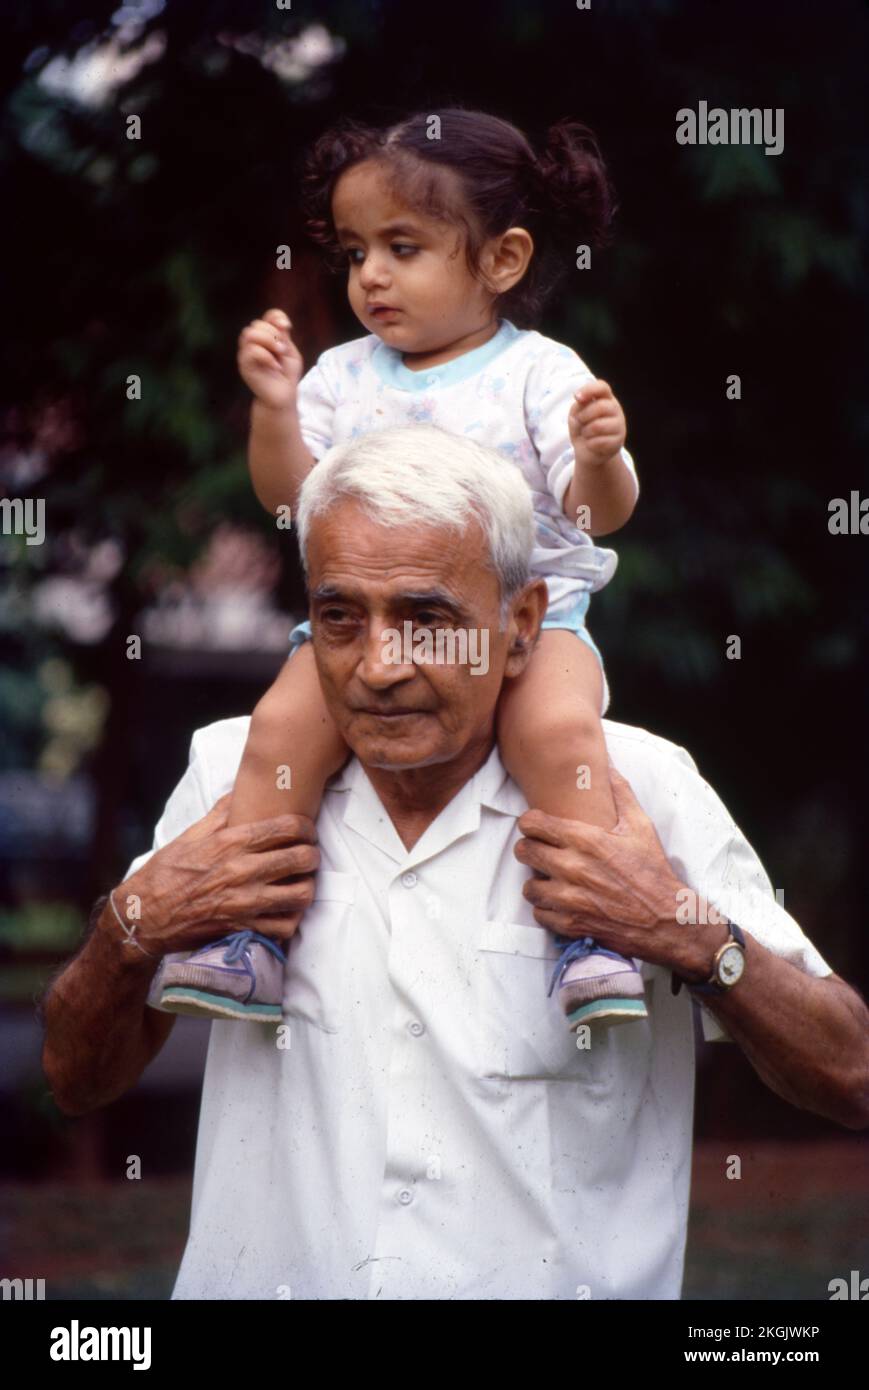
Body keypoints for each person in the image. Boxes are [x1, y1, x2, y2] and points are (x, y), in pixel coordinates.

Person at [41, 426, 869, 1301]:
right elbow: (75, 1079)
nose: (379, 667)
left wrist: (687, 931)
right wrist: (131, 929)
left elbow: (850, 1076)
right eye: (339, 618)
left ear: (520, 627)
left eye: (427, 620)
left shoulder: (641, 793)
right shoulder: (234, 783)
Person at [159, 106, 644, 1031]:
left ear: (500, 260)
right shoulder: (343, 378)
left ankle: (595, 934)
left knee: (558, 741)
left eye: (402, 247)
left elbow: (596, 515)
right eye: (353, 253)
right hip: (366, 627)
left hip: (530, 627)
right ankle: (251, 938)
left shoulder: (539, 374)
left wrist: (597, 457)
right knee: (274, 737)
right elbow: (293, 505)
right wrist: (272, 410)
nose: (371, 275)